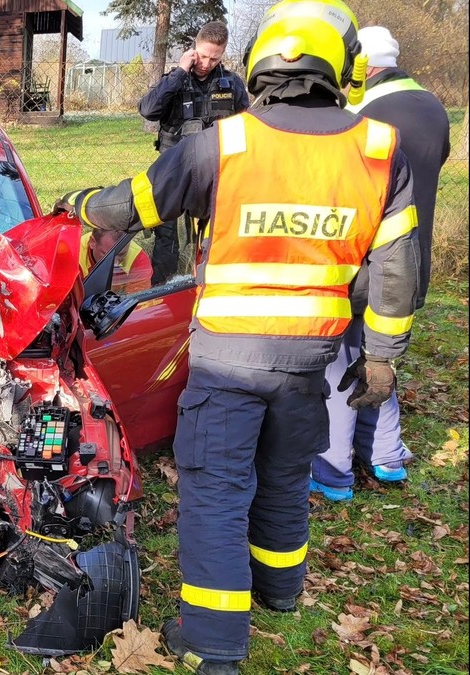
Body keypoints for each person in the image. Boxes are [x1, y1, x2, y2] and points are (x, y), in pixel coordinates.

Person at [53, 0, 420, 670]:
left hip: (228, 361)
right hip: (307, 360)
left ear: (263, 62)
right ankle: (280, 590)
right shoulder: (377, 149)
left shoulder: (226, 143)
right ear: (340, 65)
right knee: (282, 474)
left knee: (216, 488)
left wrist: (79, 204)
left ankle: (213, 638)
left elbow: (127, 206)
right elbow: (399, 270)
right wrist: (382, 359)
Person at [310, 24, 452, 501]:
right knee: (382, 360)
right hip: (413, 261)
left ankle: (332, 471)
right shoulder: (433, 106)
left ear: (362, 67)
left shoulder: (364, 114)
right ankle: (387, 457)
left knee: (343, 363)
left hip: (366, 266)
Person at [138, 20, 250, 286]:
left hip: (216, 174)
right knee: (167, 238)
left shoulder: (232, 85)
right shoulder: (174, 80)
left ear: (222, 54)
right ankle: (163, 292)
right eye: (202, 55)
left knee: (215, 237)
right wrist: (179, 72)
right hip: (173, 173)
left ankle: (207, 285)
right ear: (193, 49)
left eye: (215, 57)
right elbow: (148, 110)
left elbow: (247, 125)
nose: (206, 63)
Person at [79, 227, 153, 293]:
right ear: (92, 242)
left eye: (122, 254)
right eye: (108, 255)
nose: (115, 264)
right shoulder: (74, 256)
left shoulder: (138, 259)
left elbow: (138, 303)